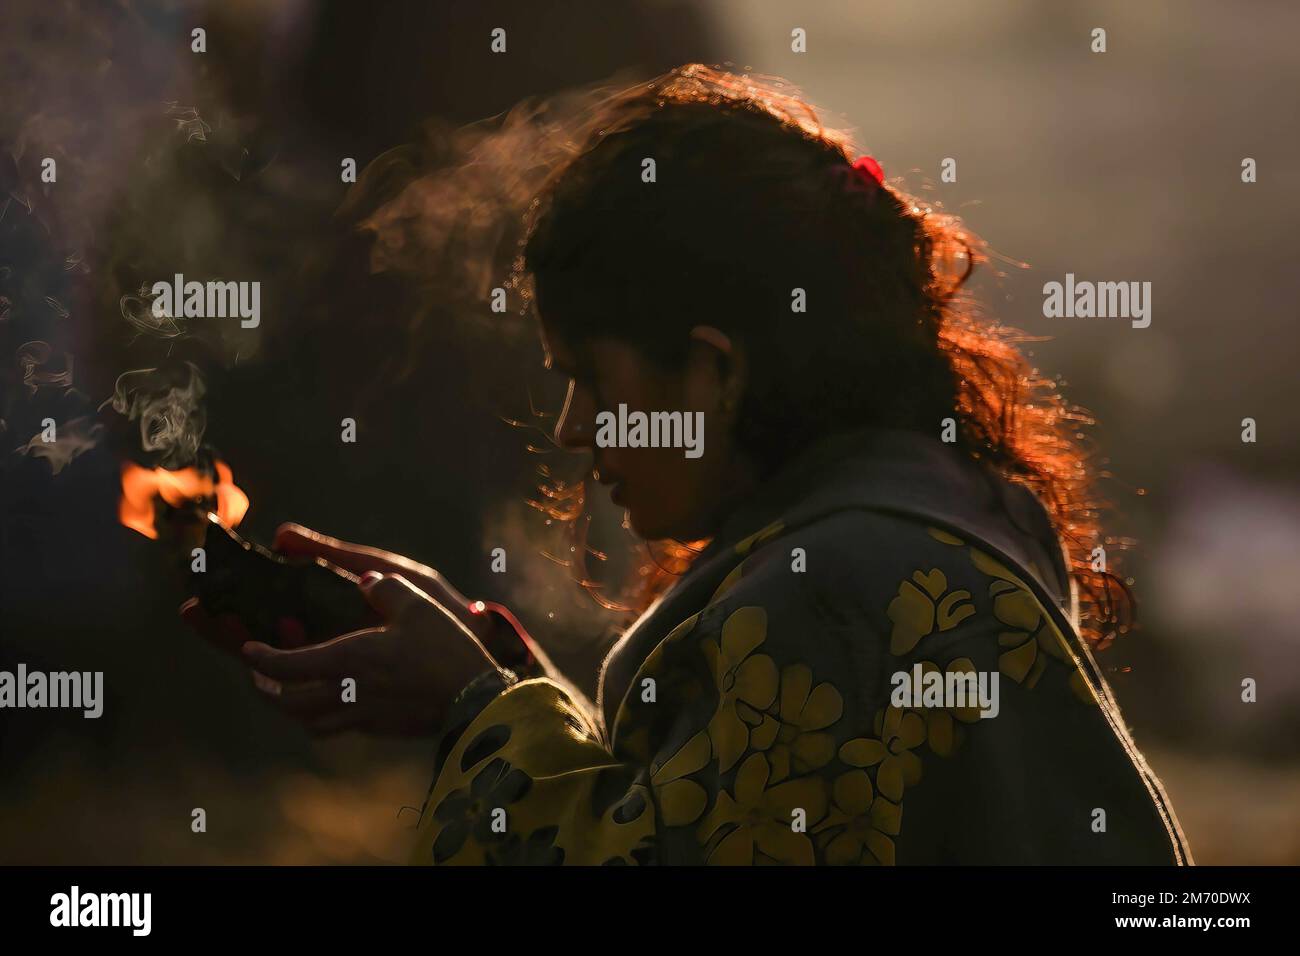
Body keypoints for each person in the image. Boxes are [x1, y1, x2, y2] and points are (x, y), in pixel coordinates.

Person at [183, 65, 1190, 865]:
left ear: (714, 371)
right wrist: (509, 681)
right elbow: (701, 821)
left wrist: (476, 710)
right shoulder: (912, 537)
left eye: (592, 379)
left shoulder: (830, 594)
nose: (573, 430)